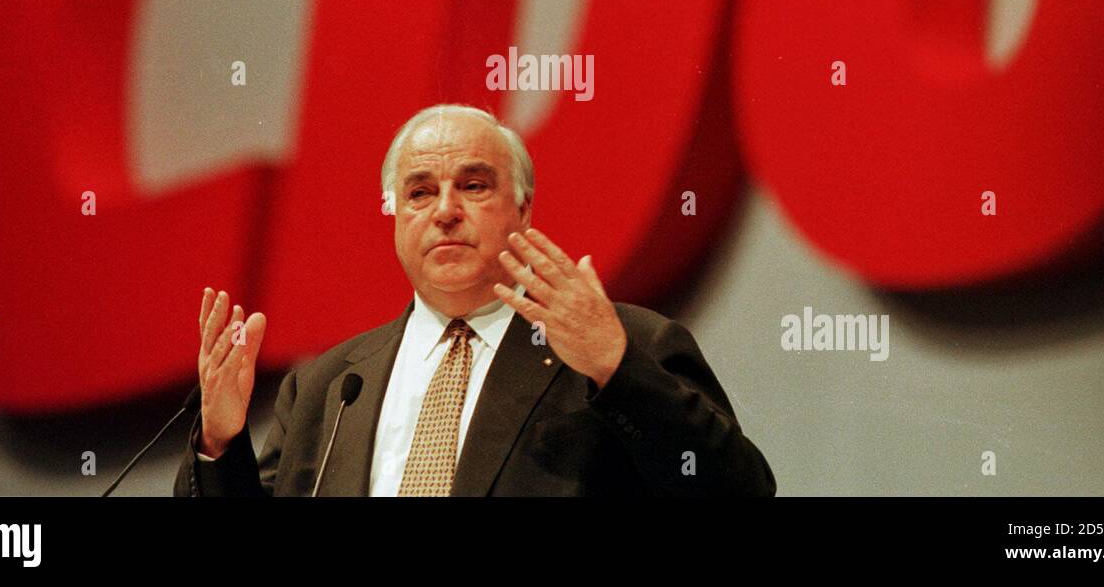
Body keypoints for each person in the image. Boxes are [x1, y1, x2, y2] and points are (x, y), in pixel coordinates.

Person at [174, 104, 776, 496]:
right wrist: (220, 445)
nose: (445, 211)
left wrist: (618, 371)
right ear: (393, 216)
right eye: (419, 192)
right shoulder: (330, 386)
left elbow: (739, 489)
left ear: (524, 208)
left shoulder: (623, 344)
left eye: (473, 185)